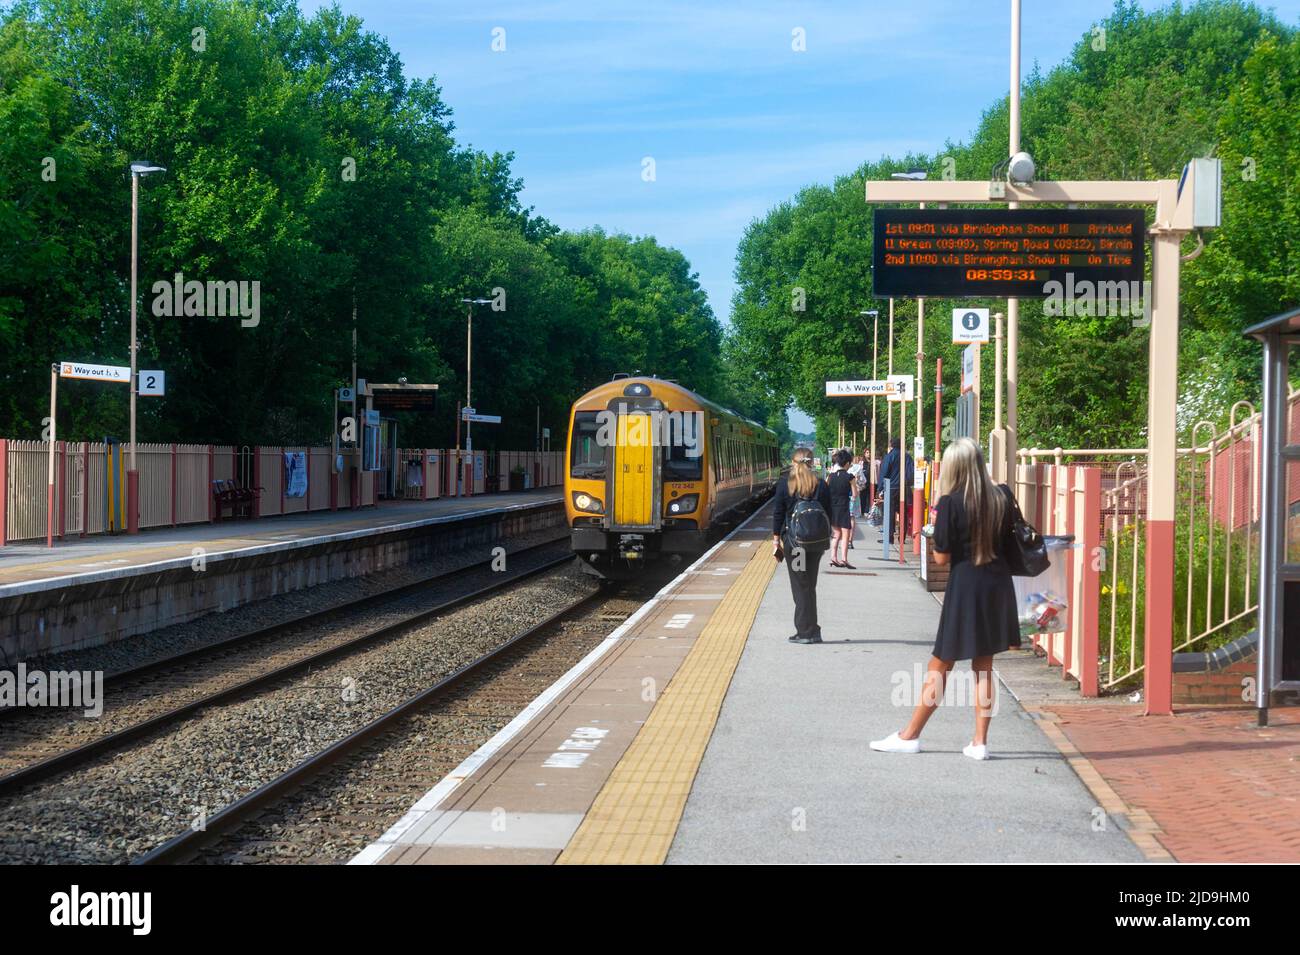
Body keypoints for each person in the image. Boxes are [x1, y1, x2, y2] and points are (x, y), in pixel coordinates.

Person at [870, 437, 1021, 760]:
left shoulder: (952, 503)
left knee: (940, 666)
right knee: (984, 668)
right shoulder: (1002, 497)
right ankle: (980, 743)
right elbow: (1011, 544)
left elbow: (940, 558)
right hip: (997, 587)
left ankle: (910, 735)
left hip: (966, 588)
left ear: (953, 468)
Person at [772, 447, 832, 644]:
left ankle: (805, 632)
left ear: (793, 462)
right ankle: (813, 629)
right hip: (816, 544)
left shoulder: (786, 485)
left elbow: (778, 514)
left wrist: (775, 540)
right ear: (811, 462)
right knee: (809, 584)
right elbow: (829, 514)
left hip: (795, 544)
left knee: (801, 585)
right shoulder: (821, 485)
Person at [877, 436, 914, 545]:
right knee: (903, 513)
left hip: (891, 488)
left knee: (889, 513)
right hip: (904, 488)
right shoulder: (907, 457)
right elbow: (911, 473)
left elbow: (884, 473)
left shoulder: (889, 457)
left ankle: (889, 538)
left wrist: (880, 489)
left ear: (891, 445)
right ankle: (902, 537)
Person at [826, 449, 856, 568]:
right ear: (847, 463)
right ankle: (844, 559)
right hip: (843, 507)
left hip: (832, 508)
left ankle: (833, 557)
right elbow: (854, 494)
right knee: (845, 534)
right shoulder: (850, 477)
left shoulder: (830, 476)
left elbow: (826, 491)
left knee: (836, 533)